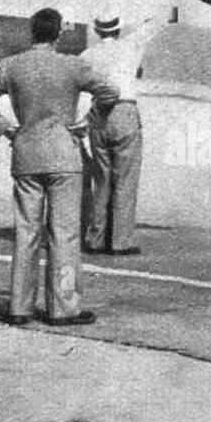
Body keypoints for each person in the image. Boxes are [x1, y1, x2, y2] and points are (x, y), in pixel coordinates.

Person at [0, 8, 119, 327]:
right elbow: (110, 92)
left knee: (26, 233)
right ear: (58, 34)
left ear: (31, 32)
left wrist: (5, 128)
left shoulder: (12, 65)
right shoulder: (72, 65)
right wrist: (87, 123)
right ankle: (64, 307)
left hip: (26, 153)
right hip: (64, 154)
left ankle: (20, 307)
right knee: (64, 235)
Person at [79, 14, 163, 256]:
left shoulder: (88, 55)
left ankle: (96, 237)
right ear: (118, 29)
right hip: (124, 111)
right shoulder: (130, 46)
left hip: (98, 113)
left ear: (97, 30)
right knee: (125, 179)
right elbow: (156, 24)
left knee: (102, 178)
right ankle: (120, 241)